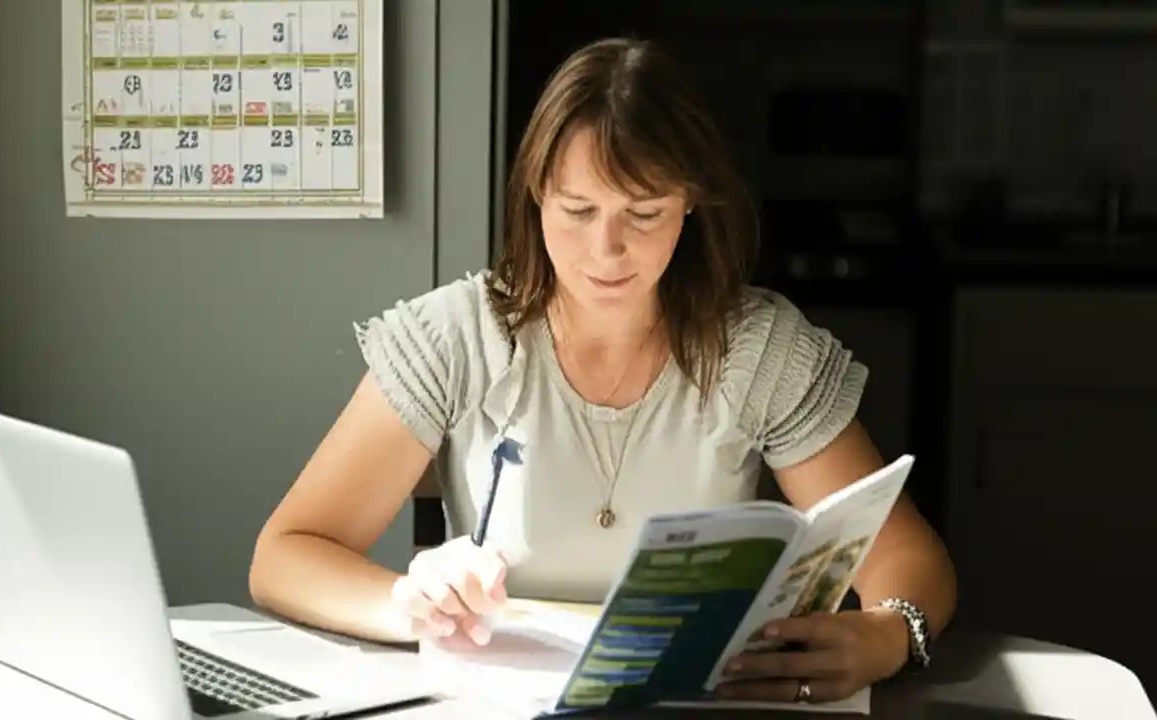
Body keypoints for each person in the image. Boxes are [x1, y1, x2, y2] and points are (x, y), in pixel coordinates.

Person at [248, 37, 957, 705]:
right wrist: (406, 603)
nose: (606, 249)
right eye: (578, 210)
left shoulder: (757, 347)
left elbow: (906, 555)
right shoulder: (456, 338)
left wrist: (885, 635)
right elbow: (286, 555)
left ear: (690, 203)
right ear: (536, 196)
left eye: (643, 213)